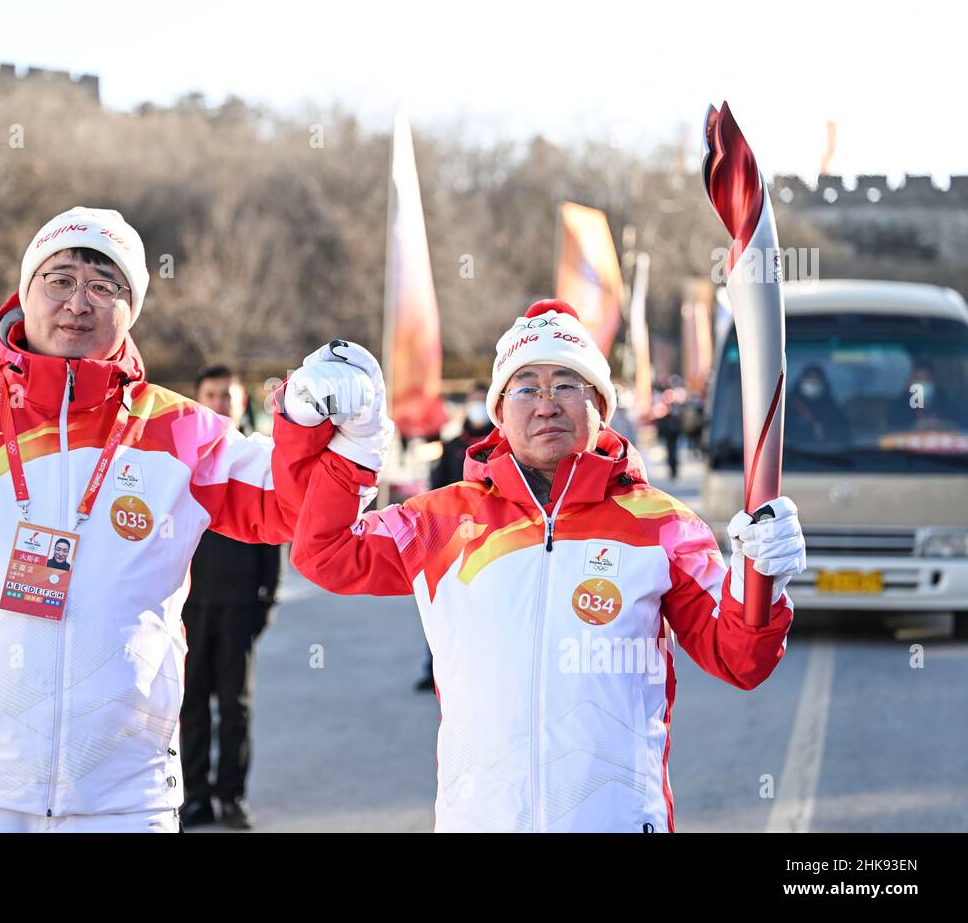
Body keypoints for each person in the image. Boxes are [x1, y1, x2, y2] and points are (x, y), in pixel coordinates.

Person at [0, 207, 351, 833]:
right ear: (26, 293)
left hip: (122, 794)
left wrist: (325, 426)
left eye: (105, 286)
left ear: (131, 310)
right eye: (60, 279)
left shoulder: (183, 434)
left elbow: (299, 507)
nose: (79, 302)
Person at [275, 299, 807, 832]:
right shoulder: (443, 519)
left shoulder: (665, 526)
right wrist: (349, 444)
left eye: (566, 384)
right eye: (525, 387)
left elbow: (741, 660)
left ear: (600, 403)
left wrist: (759, 576)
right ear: (500, 413)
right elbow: (324, 551)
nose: (546, 404)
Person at [179, 365, 280, 830]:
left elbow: (272, 537)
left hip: (239, 602)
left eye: (228, 395)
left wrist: (266, 601)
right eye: (211, 394)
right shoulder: (182, 459)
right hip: (190, 607)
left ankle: (231, 796)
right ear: (199, 399)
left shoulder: (257, 459)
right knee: (190, 703)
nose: (219, 403)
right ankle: (194, 794)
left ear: (243, 403)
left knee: (235, 706)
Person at [414, 382, 492, 691]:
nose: (476, 409)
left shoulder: (502, 446)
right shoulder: (453, 445)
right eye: (472, 402)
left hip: (490, 537)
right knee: (441, 603)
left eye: (481, 403)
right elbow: (437, 492)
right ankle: (432, 668)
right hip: (452, 537)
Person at [784, 364, 850, 446]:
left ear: (824, 384)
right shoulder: (786, 410)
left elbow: (844, 437)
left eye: (816, 380)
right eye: (810, 379)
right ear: (801, 381)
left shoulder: (832, 409)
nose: (813, 383)